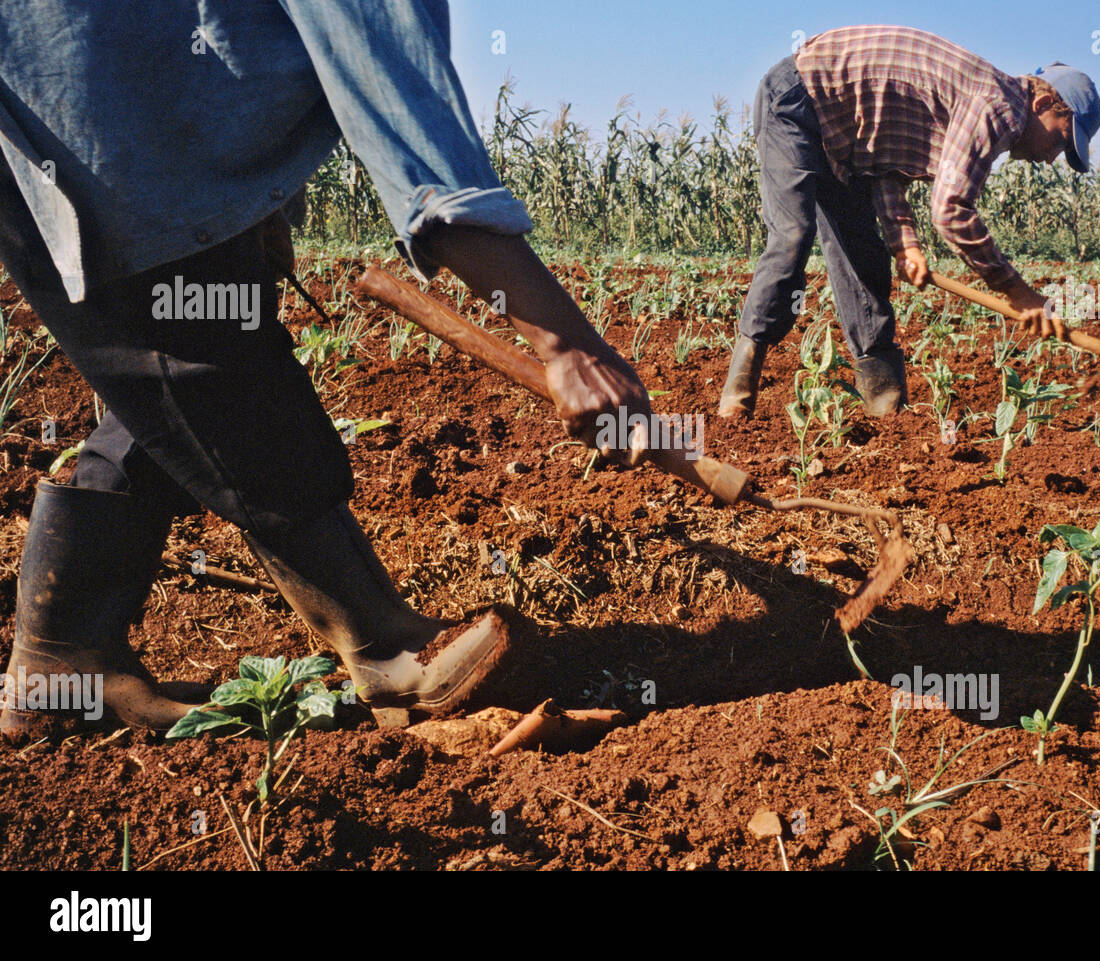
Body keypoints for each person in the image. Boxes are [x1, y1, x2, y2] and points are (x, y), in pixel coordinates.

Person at [0, 0, 651, 737]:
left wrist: (250, 208)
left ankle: (62, 658)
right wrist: (567, 342)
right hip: (79, 120)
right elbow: (403, 111)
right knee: (209, 361)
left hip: (110, 110)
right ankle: (382, 643)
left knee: (169, 371)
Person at [717, 24, 1100, 419]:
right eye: (1060, 141)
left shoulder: (981, 100)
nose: (1052, 157)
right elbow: (950, 210)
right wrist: (1018, 292)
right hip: (798, 99)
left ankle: (883, 395)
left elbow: (886, 161)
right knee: (793, 236)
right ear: (1042, 106)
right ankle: (741, 385)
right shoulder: (999, 106)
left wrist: (904, 244)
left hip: (849, 141)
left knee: (864, 254)